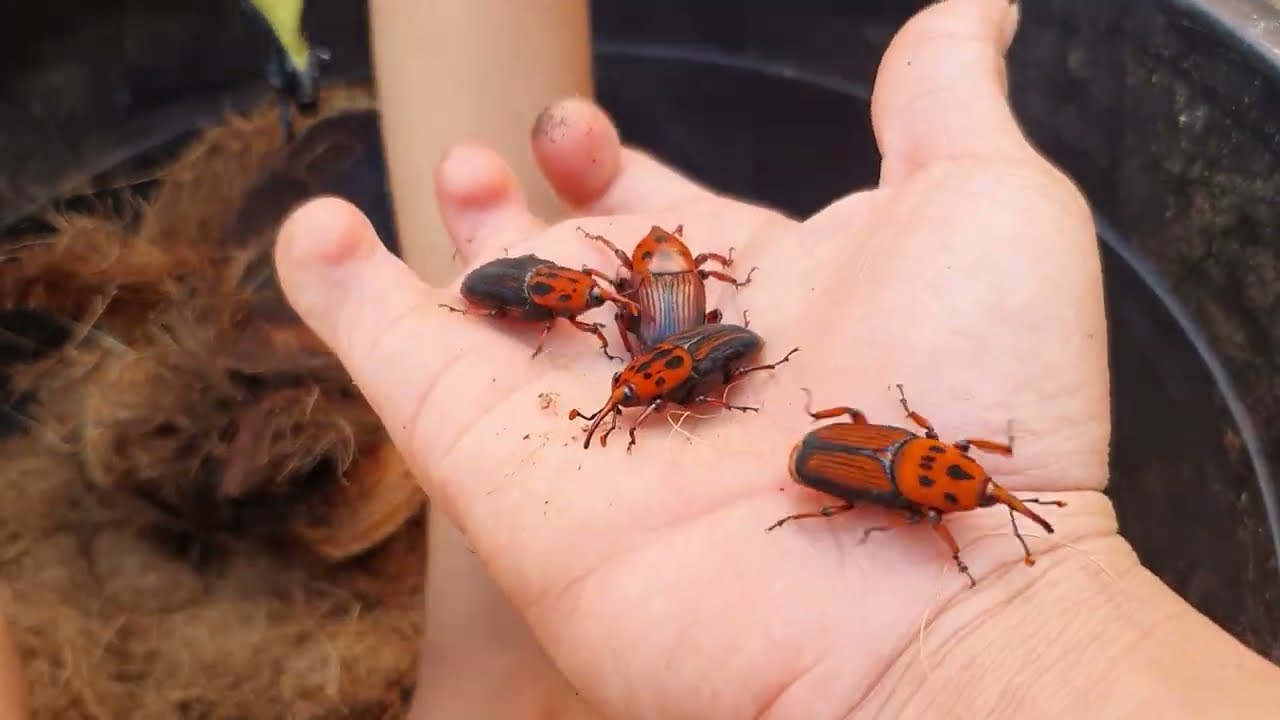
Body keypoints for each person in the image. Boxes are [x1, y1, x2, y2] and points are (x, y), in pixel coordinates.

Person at [270, 0, 1280, 717]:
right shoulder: (690, 349)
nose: (969, 490)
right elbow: (705, 387)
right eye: (968, 486)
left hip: (756, 387)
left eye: (963, 489)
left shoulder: (887, 460)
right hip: (755, 387)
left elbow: (879, 460)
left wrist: (1018, 612)